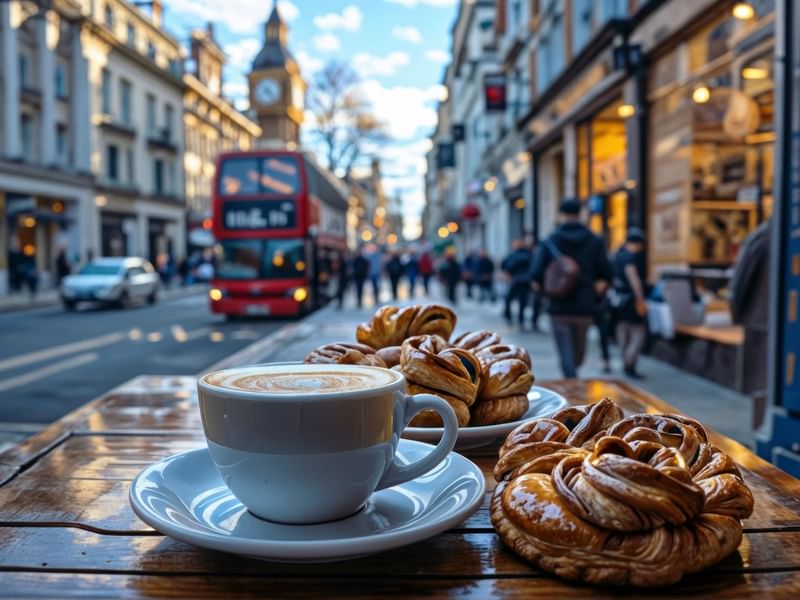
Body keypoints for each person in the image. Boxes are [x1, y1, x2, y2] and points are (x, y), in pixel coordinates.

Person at [530, 198, 612, 378]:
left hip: (558, 306)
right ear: (580, 214)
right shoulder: (595, 240)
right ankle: (573, 373)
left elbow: (535, 272)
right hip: (585, 305)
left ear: (561, 215)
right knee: (578, 352)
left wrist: (545, 292)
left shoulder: (550, 241)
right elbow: (606, 272)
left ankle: (570, 377)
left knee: (565, 353)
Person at [611, 228, 648, 378]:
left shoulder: (618, 255)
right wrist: (641, 299)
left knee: (623, 330)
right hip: (630, 301)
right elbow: (634, 279)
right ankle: (629, 362)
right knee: (638, 333)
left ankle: (625, 360)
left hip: (618, 300)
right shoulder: (630, 258)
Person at [501, 240, 533, 329]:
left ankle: (508, 317)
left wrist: (508, 275)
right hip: (526, 281)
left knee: (508, 299)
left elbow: (507, 266)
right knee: (522, 302)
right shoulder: (529, 255)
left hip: (515, 281)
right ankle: (521, 320)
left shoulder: (513, 256)